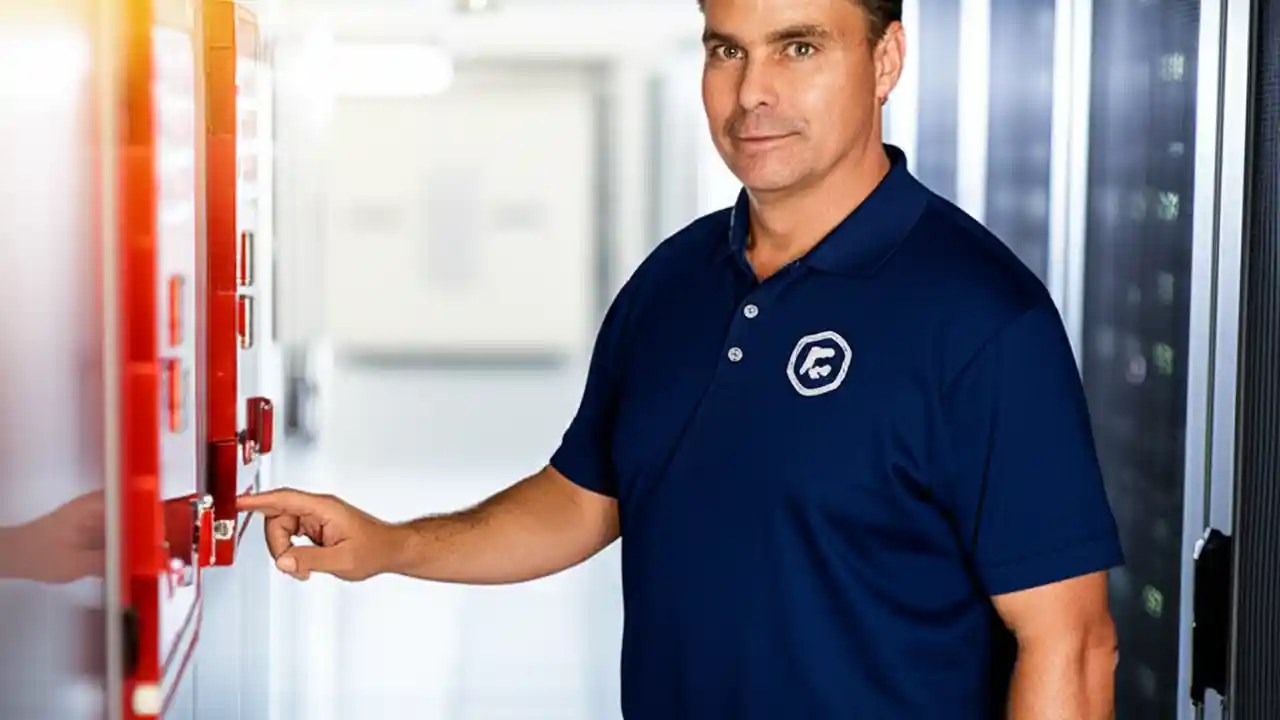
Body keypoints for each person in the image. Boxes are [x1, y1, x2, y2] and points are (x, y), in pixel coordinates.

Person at [240, 0, 1125, 717]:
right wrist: (393, 544)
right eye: (726, 50)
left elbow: (1072, 645)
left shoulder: (980, 316)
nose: (752, 95)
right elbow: (584, 501)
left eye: (800, 47)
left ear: (886, 60)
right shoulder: (673, 281)